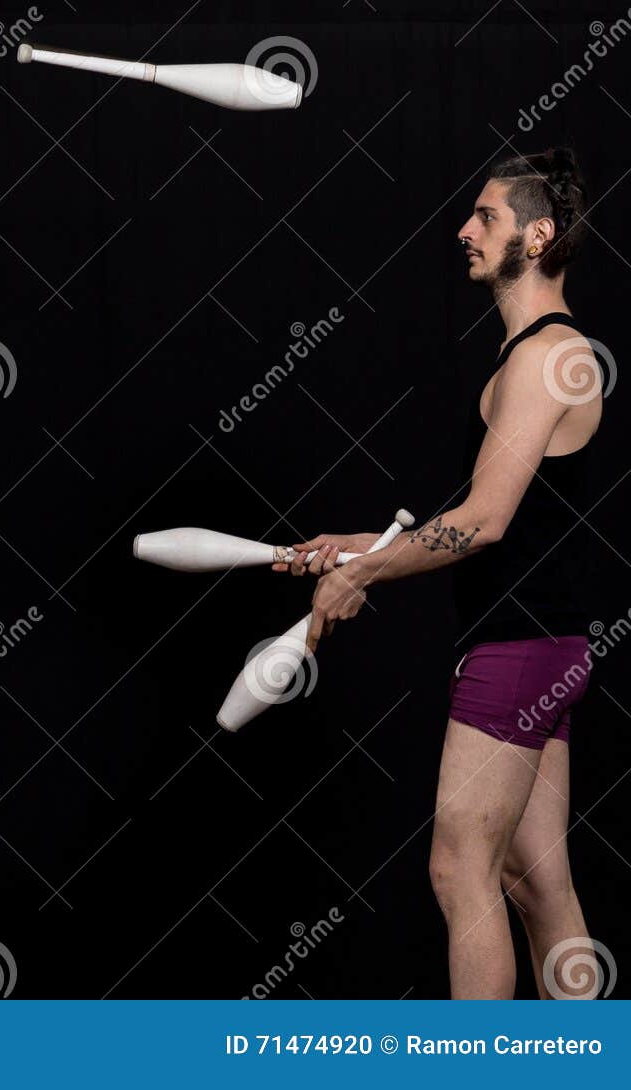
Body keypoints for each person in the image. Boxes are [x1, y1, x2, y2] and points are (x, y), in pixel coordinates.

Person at [278, 149, 604, 998]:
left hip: (517, 650)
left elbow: (485, 523)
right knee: (538, 884)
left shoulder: (544, 357)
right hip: (547, 643)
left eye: (486, 217)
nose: (464, 229)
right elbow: (494, 511)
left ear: (539, 235)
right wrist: (364, 545)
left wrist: (364, 577)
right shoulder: (538, 354)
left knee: (462, 874)